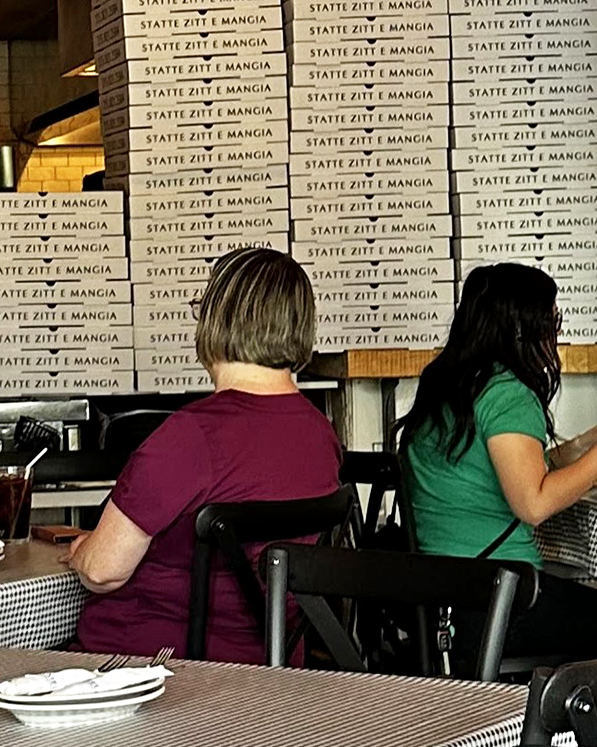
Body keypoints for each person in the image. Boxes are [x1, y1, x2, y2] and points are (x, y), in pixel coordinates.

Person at [67, 247, 341, 664]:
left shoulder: (192, 435)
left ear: (218, 319)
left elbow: (102, 570)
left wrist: (81, 551)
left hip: (150, 671)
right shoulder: (320, 434)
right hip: (272, 669)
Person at [398, 262, 597, 675]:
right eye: (552, 320)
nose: (556, 333)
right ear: (523, 328)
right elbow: (534, 502)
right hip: (501, 602)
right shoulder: (507, 393)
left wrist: (580, 448)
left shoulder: (447, 384)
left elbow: (504, 465)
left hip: (440, 598)